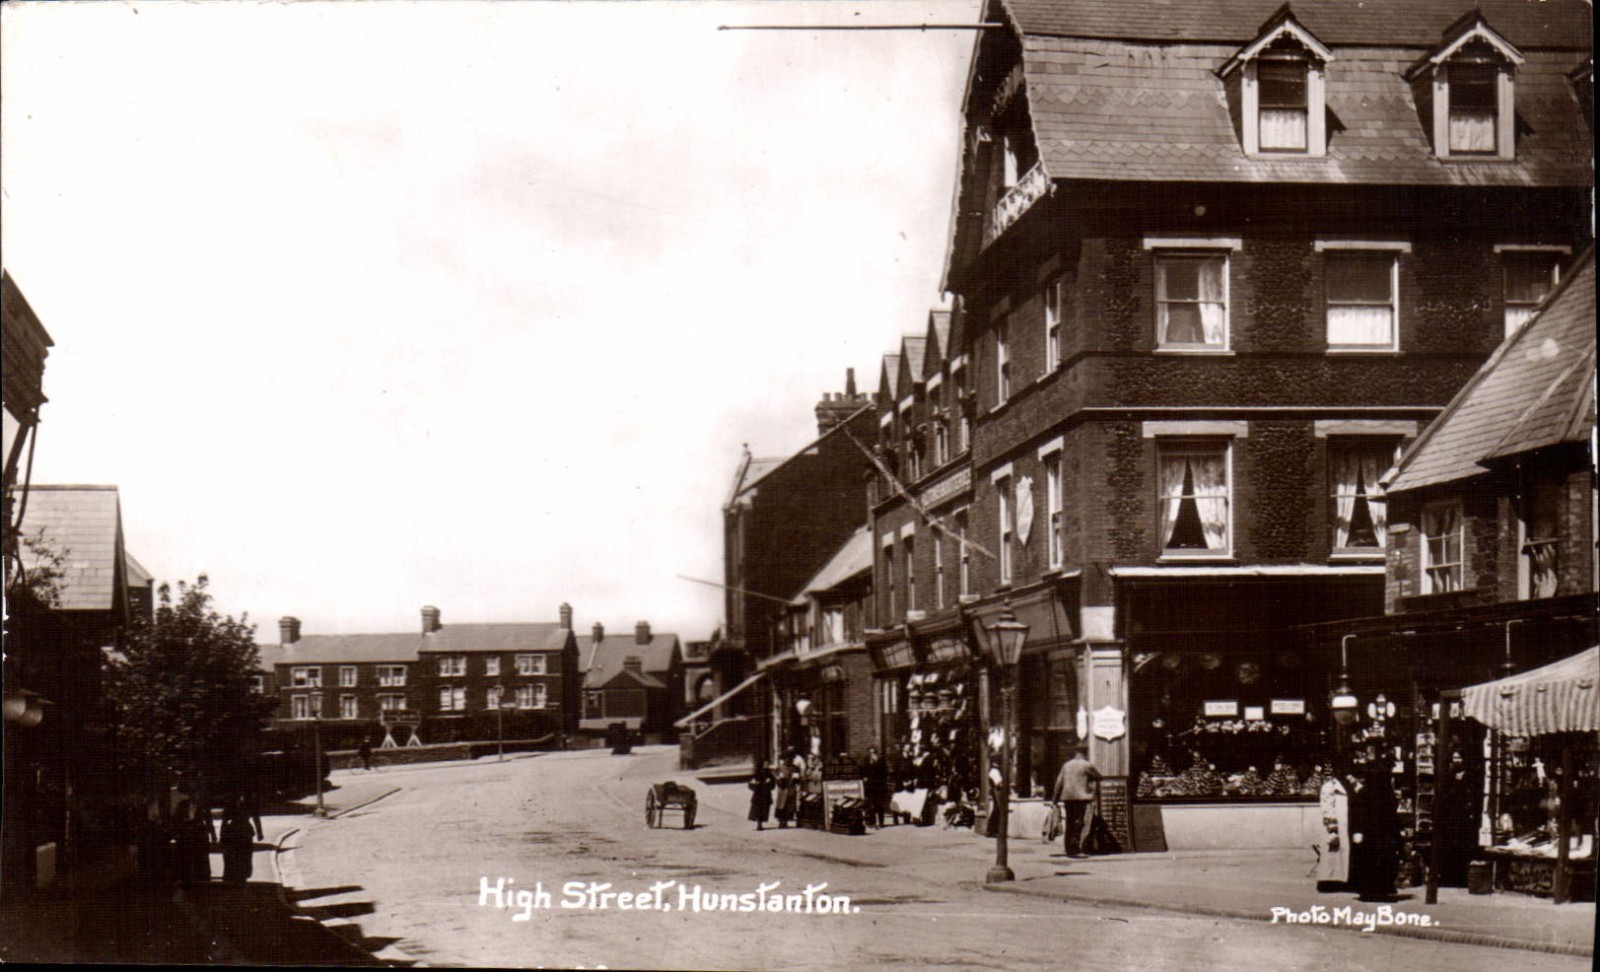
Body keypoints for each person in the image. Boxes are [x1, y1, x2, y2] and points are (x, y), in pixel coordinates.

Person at [1348, 768, 1400, 901]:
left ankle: (1368, 891)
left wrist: (1357, 832)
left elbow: (1356, 816)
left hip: (1370, 837)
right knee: (1381, 862)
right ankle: (1381, 889)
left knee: (1368, 862)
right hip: (1382, 836)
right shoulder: (1387, 795)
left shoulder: (1363, 794)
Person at [1053, 743, 1102, 858]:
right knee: (1079, 822)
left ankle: (1068, 847)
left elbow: (1059, 783)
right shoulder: (1087, 765)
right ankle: (1075, 848)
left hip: (1067, 798)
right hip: (1081, 798)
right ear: (1085, 753)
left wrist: (1054, 799)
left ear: (1075, 753)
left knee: (1069, 822)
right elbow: (1099, 777)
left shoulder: (1066, 765)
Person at [1314, 765, 1351, 891]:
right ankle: (1328, 881)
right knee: (1332, 853)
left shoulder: (1347, 786)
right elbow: (1326, 806)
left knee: (1341, 854)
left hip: (1344, 824)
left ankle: (1340, 880)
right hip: (1335, 824)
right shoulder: (1329, 786)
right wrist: (1331, 824)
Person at [219, 795, 256, 886]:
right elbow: (224, 820)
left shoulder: (249, 804)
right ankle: (235, 875)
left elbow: (256, 817)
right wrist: (222, 833)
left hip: (243, 832)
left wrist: (259, 832)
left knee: (244, 855)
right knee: (234, 855)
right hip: (235, 832)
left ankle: (241, 875)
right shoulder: (230, 805)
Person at [774, 750, 800, 828]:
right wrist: (779, 780)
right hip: (782, 789)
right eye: (787, 758)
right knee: (781, 805)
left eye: (791, 759)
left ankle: (786, 821)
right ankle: (781, 821)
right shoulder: (780, 768)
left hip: (791, 789)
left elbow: (797, 778)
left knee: (789, 805)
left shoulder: (795, 768)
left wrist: (795, 779)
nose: (788, 760)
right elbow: (776, 777)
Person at [863, 747, 888, 829]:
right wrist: (864, 777)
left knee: (880, 804)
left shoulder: (880, 761)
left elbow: (884, 772)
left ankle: (881, 822)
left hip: (879, 786)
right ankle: (872, 822)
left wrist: (876, 761)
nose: (872, 754)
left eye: (873, 752)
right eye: (870, 752)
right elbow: (863, 770)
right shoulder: (866, 760)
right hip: (870, 786)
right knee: (871, 804)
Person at [747, 758, 776, 831]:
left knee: (764, 809)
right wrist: (757, 785)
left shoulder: (769, 773)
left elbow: (773, 784)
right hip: (758, 795)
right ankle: (759, 824)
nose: (767, 765)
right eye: (765, 763)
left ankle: (761, 823)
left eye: (767, 764)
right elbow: (751, 784)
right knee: (758, 810)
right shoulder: (756, 773)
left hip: (766, 794)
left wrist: (769, 784)